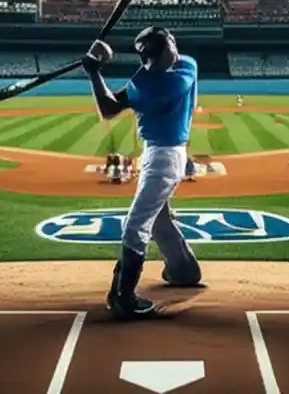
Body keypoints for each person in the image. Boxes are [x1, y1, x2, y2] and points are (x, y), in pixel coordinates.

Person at [84, 26, 202, 320]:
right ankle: (183, 269)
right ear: (161, 53)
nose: (175, 46)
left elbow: (111, 107)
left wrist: (95, 69)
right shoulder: (177, 70)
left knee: (134, 226)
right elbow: (116, 103)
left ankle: (123, 297)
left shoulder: (157, 80)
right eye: (170, 43)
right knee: (158, 219)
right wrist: (95, 71)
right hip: (160, 157)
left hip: (164, 158)